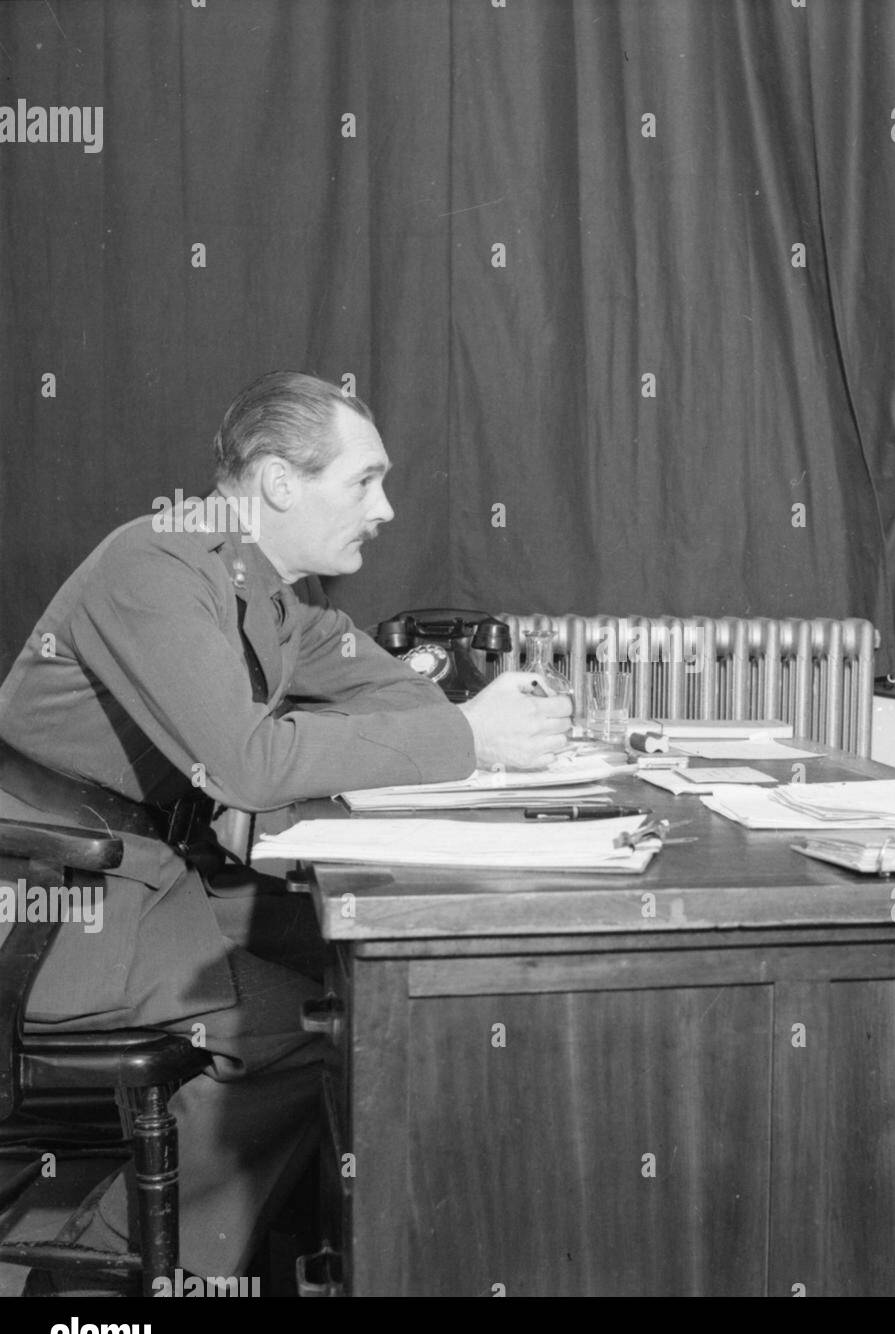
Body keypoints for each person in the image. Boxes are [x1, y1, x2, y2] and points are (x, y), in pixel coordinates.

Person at [0, 371, 572, 1287]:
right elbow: (250, 764)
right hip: (54, 905)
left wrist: (494, 715)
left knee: (362, 974)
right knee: (333, 1023)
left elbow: (379, 681)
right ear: (276, 480)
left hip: (139, 881)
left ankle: (283, 1257)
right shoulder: (154, 563)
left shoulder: (270, 591)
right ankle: (99, 1286)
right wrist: (465, 737)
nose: (384, 508)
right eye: (363, 480)